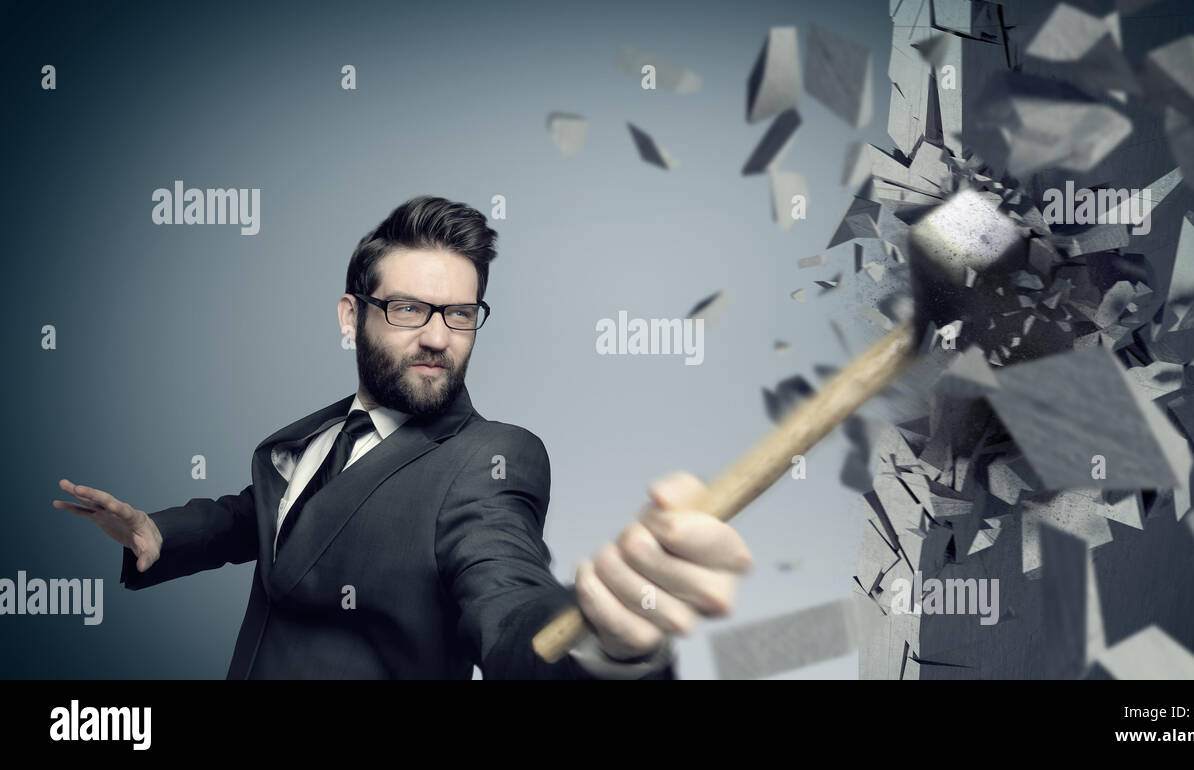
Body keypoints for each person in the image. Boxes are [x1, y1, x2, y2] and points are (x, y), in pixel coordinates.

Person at [53, 195, 752, 679]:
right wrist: (159, 533)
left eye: (459, 313)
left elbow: (506, 597)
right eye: (410, 308)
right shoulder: (310, 439)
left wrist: (601, 639)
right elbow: (255, 514)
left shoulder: (490, 462)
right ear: (351, 317)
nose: (437, 337)